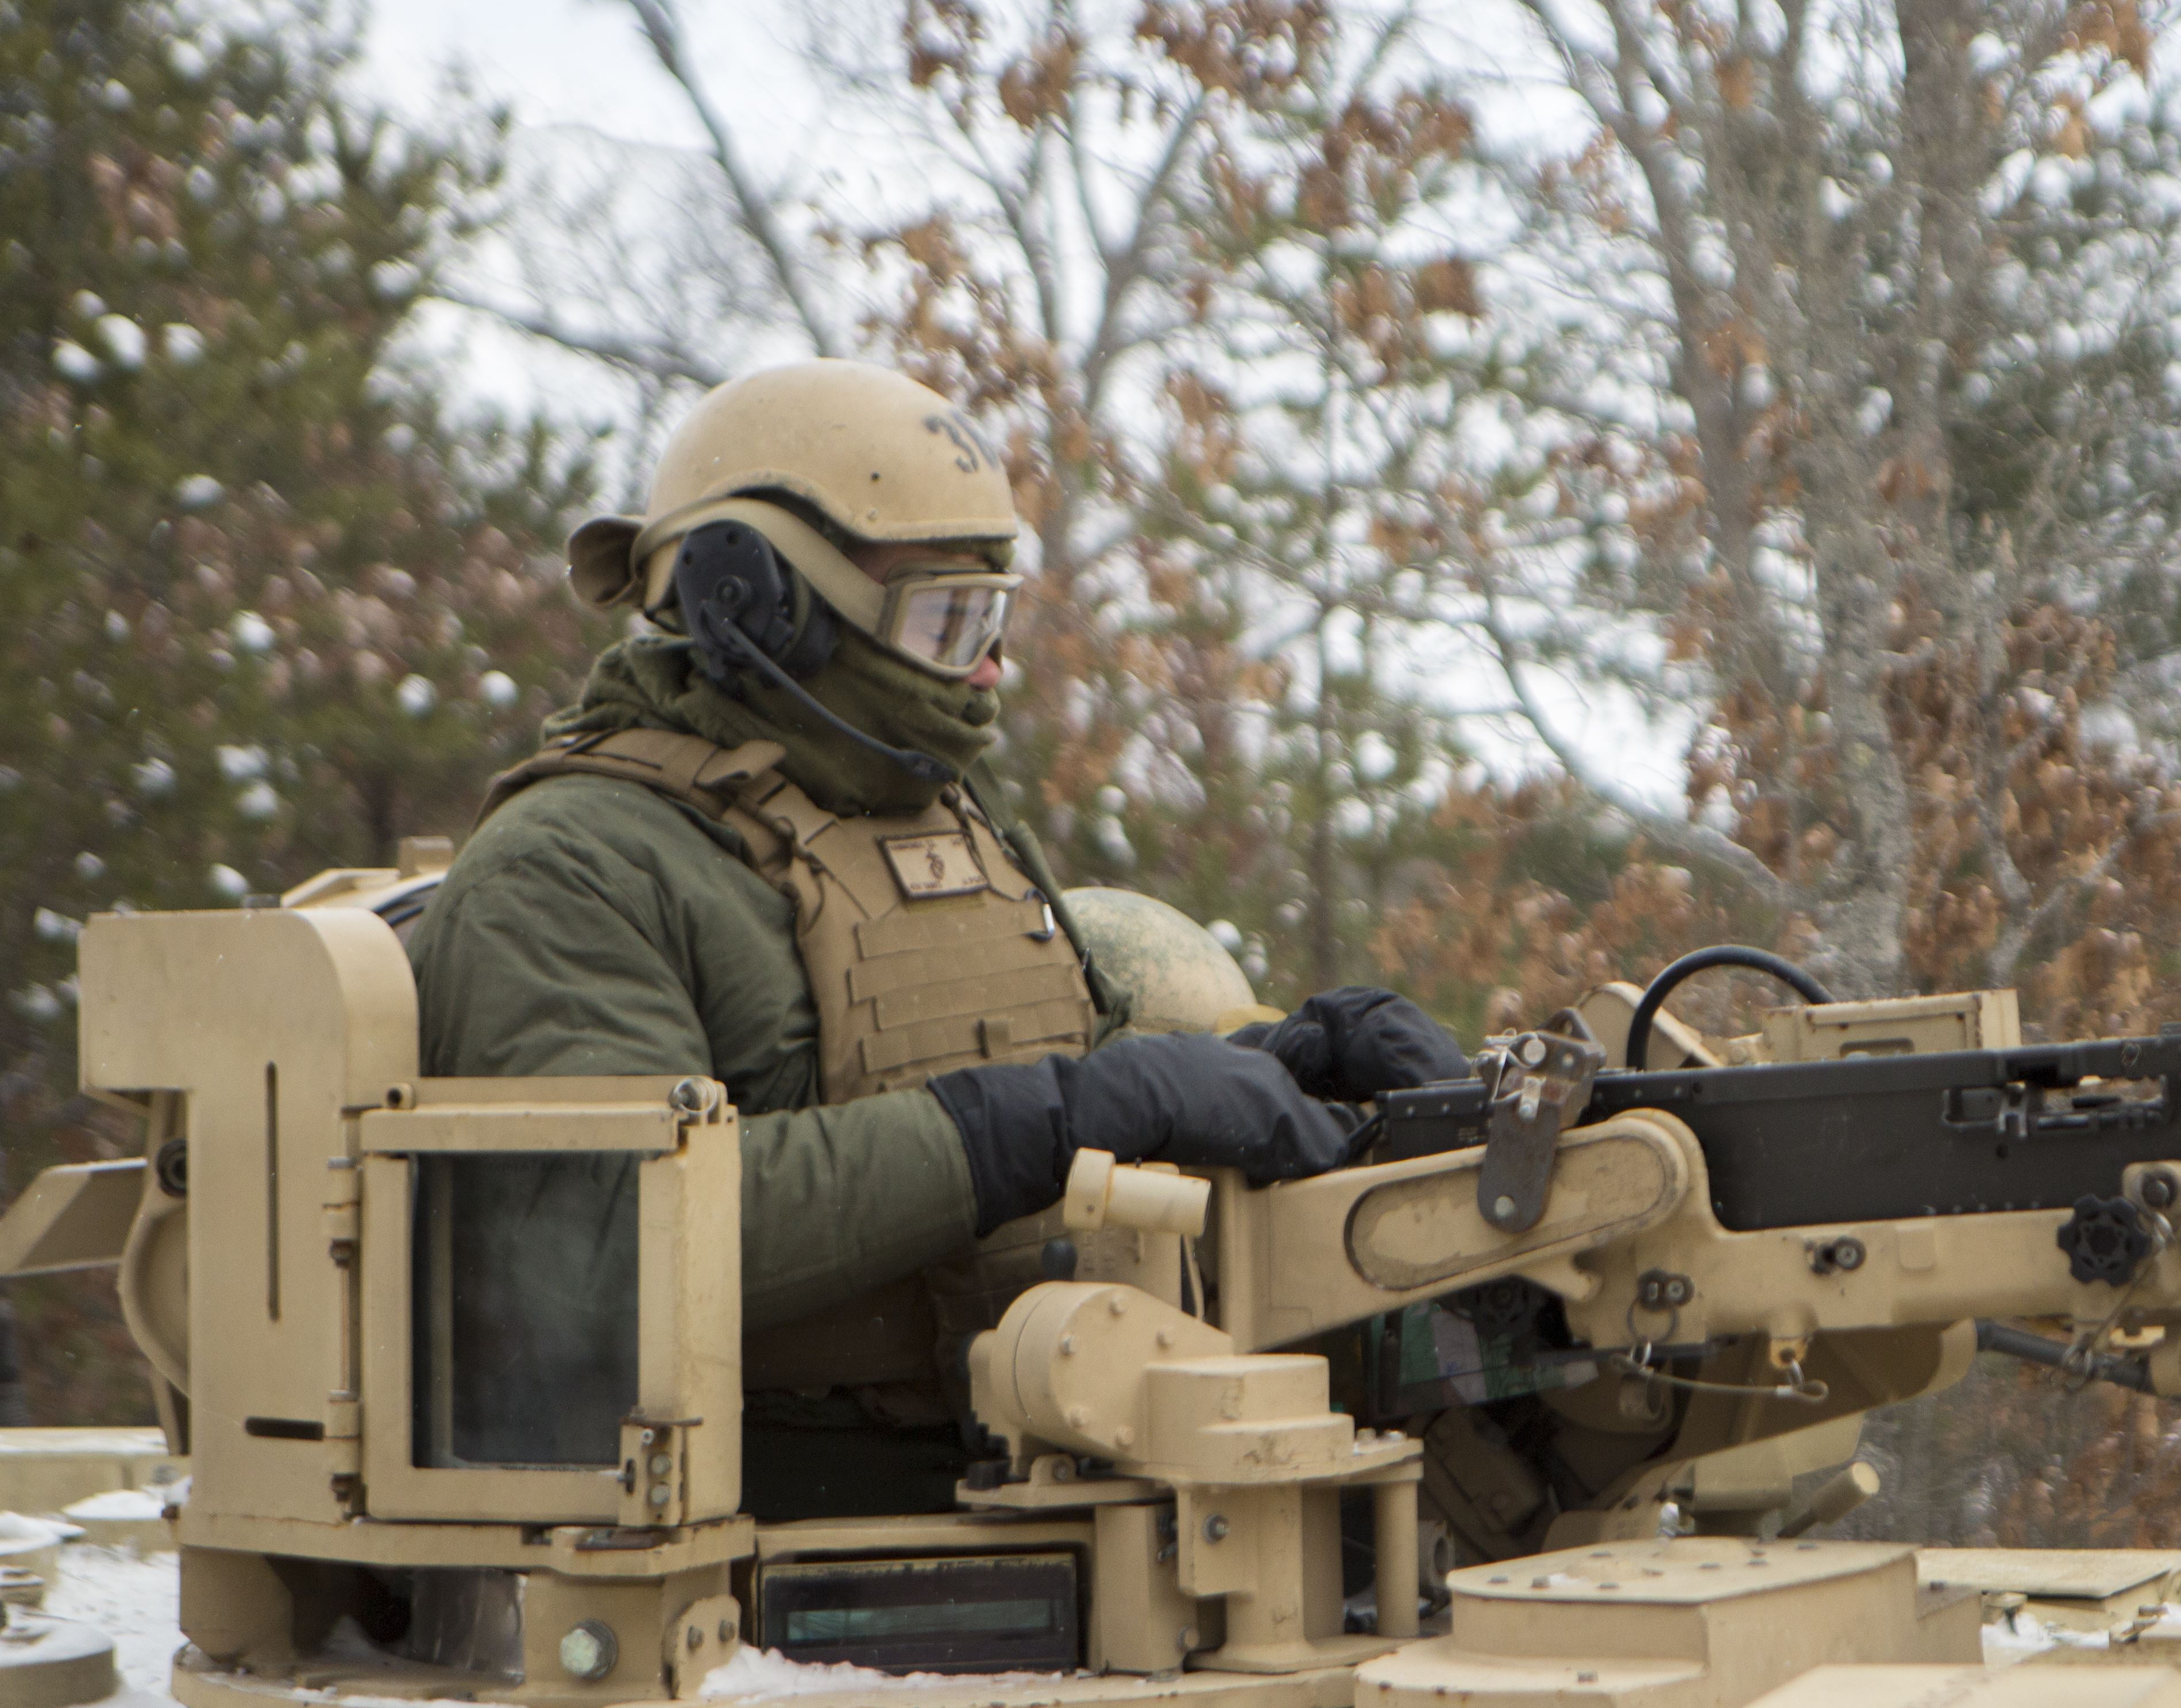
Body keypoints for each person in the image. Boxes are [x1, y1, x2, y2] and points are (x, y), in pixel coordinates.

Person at [412, 360, 1466, 1517]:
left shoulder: (926, 815)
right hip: (780, 1548)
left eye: (992, 616)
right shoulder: (570, 870)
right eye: (944, 619)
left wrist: (1270, 1064)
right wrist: (1063, 1116)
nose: (989, 669)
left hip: (1055, 1469)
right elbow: (608, 1251)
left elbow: (1074, 1071)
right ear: (753, 603)